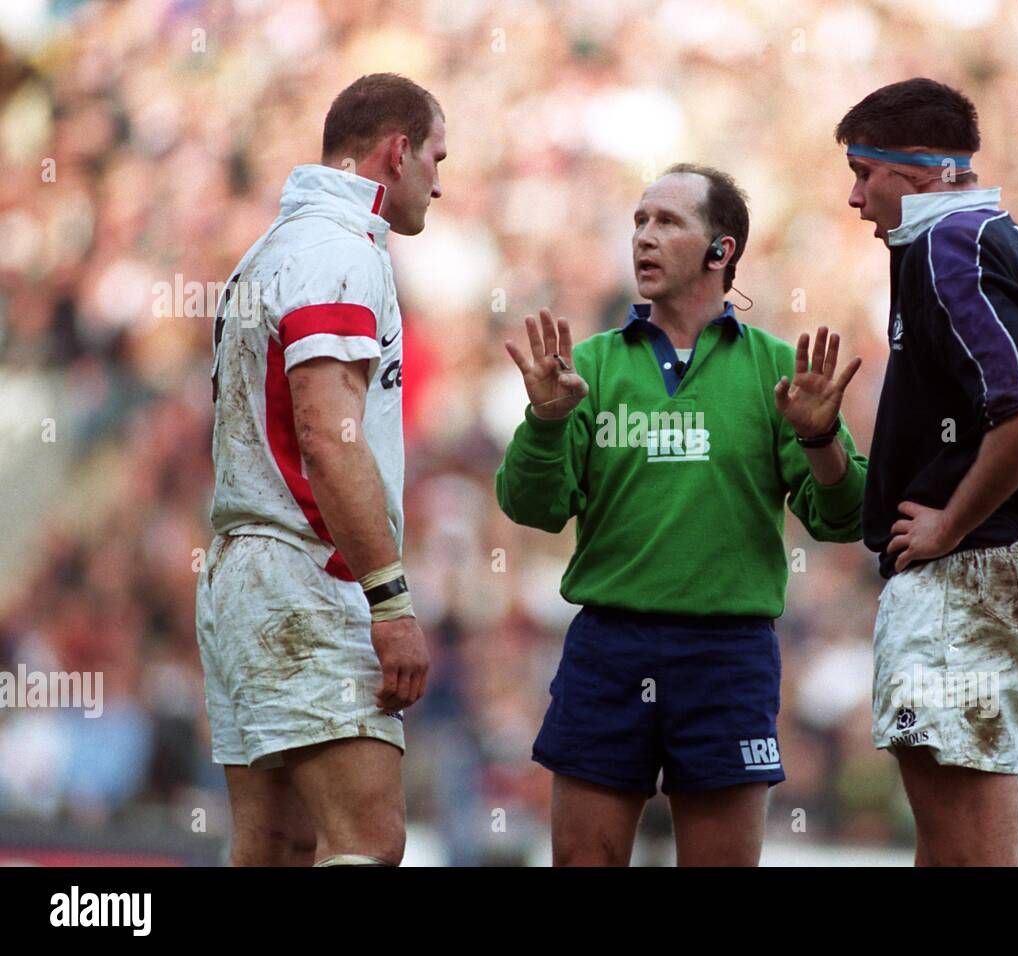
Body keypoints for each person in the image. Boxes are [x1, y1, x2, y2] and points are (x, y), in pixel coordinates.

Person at [496, 164, 869, 866]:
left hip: (727, 655)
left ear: (721, 251)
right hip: (609, 645)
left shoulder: (777, 370)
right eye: (639, 220)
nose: (644, 235)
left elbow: (842, 519)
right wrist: (546, 421)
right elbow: (530, 507)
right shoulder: (591, 366)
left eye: (668, 221)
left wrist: (820, 438)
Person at [837, 78, 1018, 866]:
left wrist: (954, 519)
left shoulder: (946, 242)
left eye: (864, 173)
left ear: (918, 168)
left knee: (968, 856)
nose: (856, 198)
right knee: (949, 850)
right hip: (993, 575)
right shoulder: (1005, 236)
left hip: (967, 582)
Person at [195, 73, 445, 866]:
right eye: (439, 157)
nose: (443, 180)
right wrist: (390, 599)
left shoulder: (268, 249)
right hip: (305, 572)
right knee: (368, 841)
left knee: (274, 846)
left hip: (241, 571)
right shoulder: (339, 253)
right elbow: (327, 436)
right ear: (397, 152)